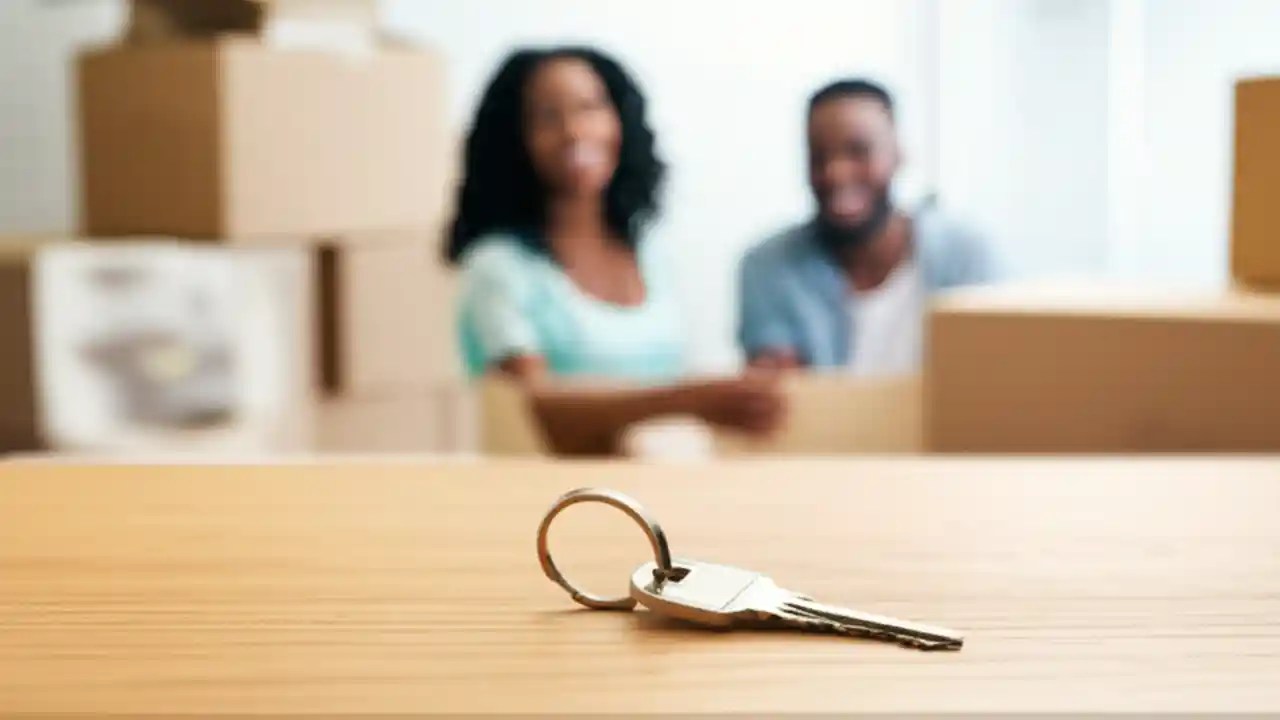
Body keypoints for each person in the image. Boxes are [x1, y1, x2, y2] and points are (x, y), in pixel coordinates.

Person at [446, 46, 782, 454]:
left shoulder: (652, 255)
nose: (574, 131)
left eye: (589, 108)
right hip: (555, 490)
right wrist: (691, 401)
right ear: (514, 137)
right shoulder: (497, 267)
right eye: (547, 116)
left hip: (668, 483)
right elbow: (541, 413)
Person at [738, 79, 997, 373]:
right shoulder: (769, 266)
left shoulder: (965, 254)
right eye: (818, 156)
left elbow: (994, 371)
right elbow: (779, 386)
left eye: (858, 151)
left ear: (898, 154)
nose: (835, 173)